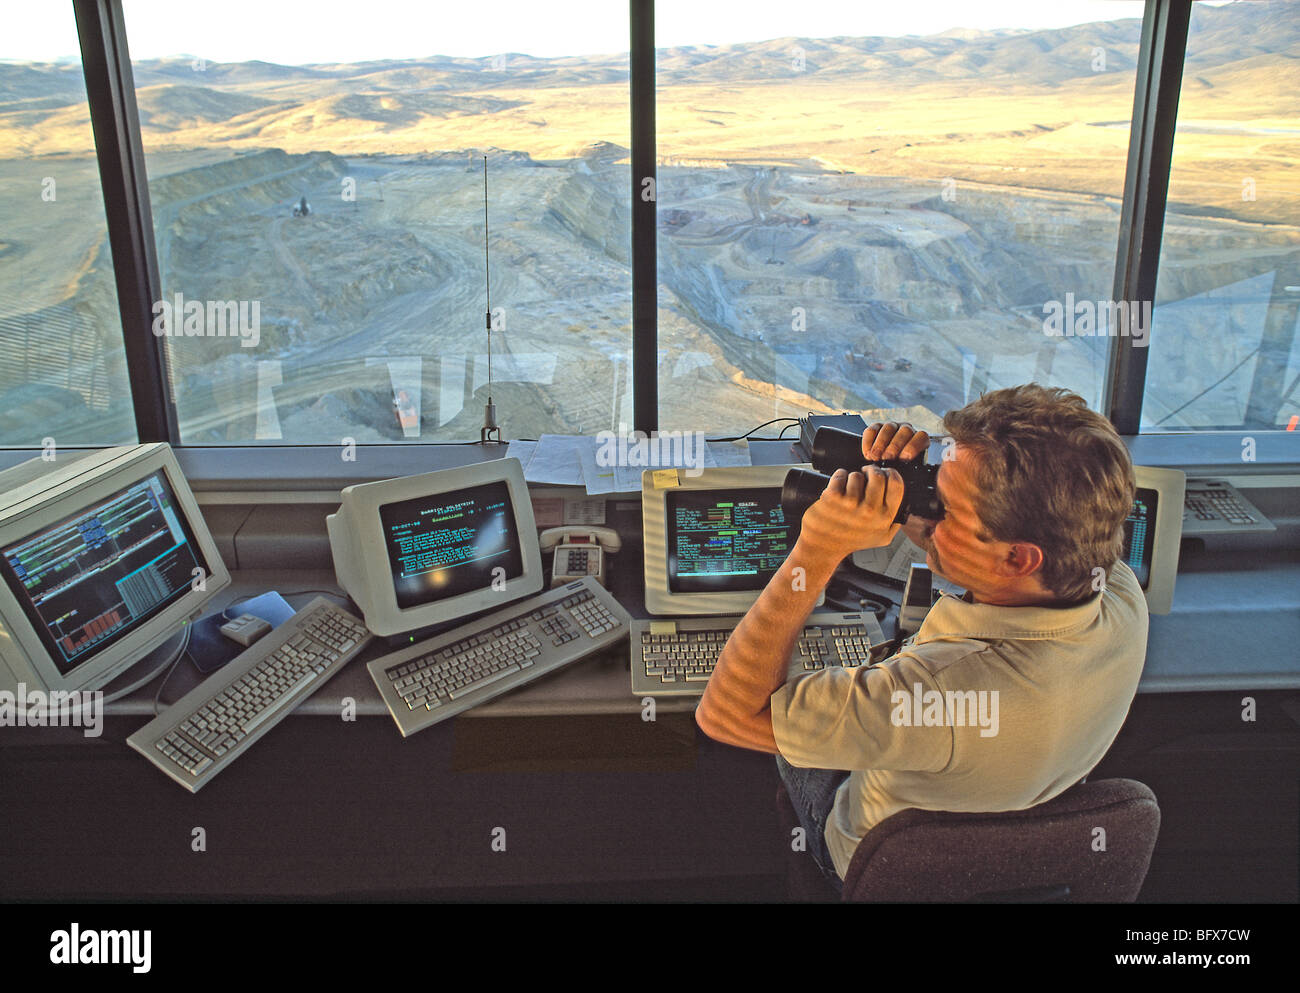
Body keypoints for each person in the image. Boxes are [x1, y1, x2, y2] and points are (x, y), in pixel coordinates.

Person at [695, 384, 1148, 891]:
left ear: (1018, 557)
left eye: (945, 508)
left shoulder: (935, 691)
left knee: (784, 743)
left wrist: (816, 551)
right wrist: (911, 493)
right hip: (1009, 804)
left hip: (876, 860)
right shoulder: (1119, 594)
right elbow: (992, 549)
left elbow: (726, 715)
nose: (930, 510)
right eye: (934, 483)